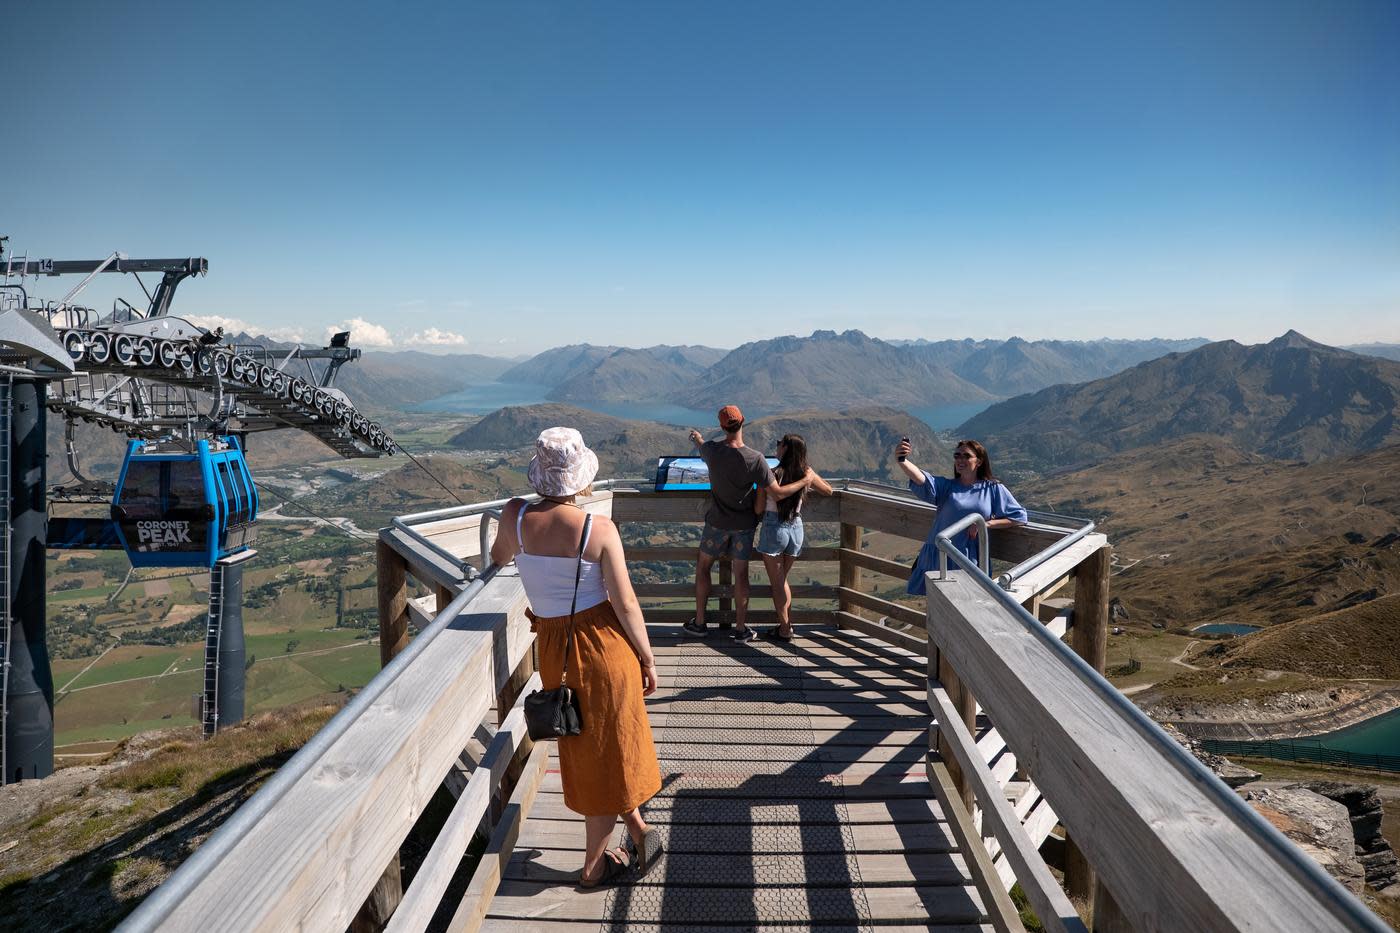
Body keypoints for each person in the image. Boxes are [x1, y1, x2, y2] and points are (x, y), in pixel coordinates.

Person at [490, 427, 663, 888]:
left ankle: (638, 829)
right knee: (609, 743)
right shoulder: (597, 530)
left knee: (591, 746)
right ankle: (593, 870)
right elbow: (626, 604)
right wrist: (646, 658)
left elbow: (498, 557)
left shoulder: (513, 516)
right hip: (605, 649)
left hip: (554, 651)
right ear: (580, 477)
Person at [684, 405, 812, 642]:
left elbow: (702, 446)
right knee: (741, 575)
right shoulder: (756, 459)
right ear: (743, 422)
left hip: (716, 523)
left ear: (722, 427)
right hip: (745, 525)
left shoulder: (712, 451)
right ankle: (741, 628)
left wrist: (698, 438)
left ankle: (700, 623)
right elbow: (777, 492)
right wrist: (806, 480)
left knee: (703, 567)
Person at [894, 437, 1028, 595]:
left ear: (979, 461)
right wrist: (902, 460)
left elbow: (1018, 517)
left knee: (969, 604)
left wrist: (985, 524)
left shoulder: (993, 488)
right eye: (957, 455)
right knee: (939, 606)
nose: (960, 459)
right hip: (940, 555)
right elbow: (922, 479)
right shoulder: (947, 487)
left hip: (969, 558)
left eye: (966, 456)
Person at [754, 433, 833, 642]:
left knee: (778, 584)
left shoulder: (771, 475)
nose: (777, 447)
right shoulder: (806, 473)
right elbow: (828, 490)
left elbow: (759, 508)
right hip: (796, 528)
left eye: (779, 444)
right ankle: (784, 626)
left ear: (786, 449)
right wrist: (809, 478)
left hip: (774, 528)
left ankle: (785, 628)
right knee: (782, 582)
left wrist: (759, 490)